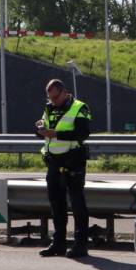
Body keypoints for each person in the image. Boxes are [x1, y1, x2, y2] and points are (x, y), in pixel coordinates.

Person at [35, 79, 92, 258]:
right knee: (56, 203)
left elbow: (83, 133)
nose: (53, 101)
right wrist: (40, 129)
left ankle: (80, 245)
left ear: (64, 92)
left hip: (73, 160)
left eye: (55, 97)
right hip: (54, 161)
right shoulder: (49, 108)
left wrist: (56, 134)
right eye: (50, 98)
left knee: (77, 204)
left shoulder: (80, 107)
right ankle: (58, 244)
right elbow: (43, 131)